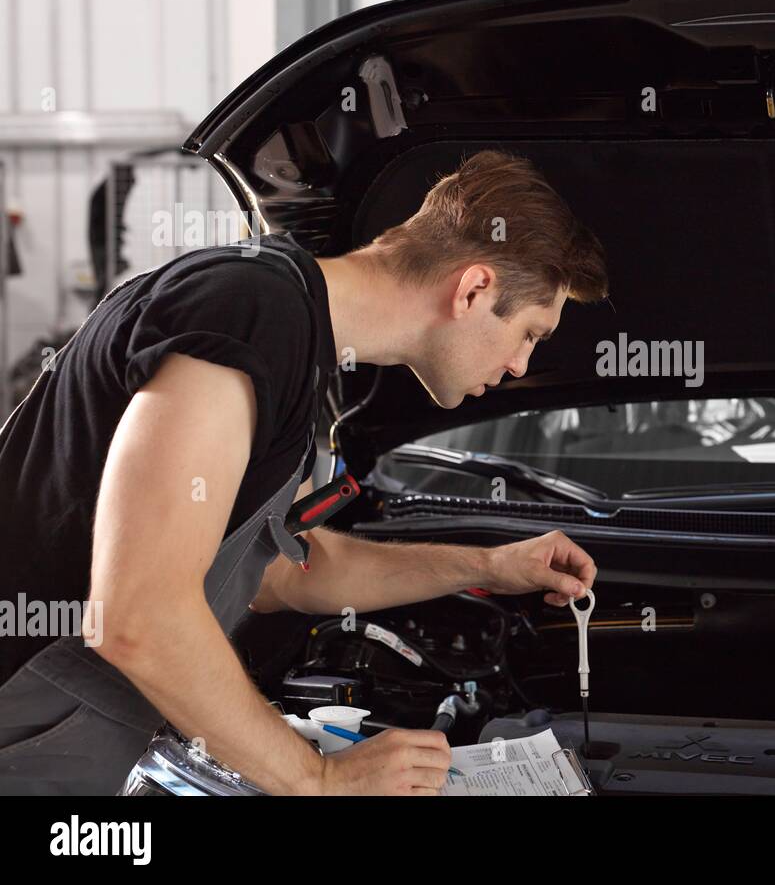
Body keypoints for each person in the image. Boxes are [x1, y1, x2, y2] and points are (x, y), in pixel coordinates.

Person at [0, 149, 608, 794]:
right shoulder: (249, 313)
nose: (520, 365)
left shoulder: (294, 337)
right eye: (531, 334)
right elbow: (140, 617)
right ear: (474, 289)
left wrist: (488, 567)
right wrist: (318, 779)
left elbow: (284, 576)